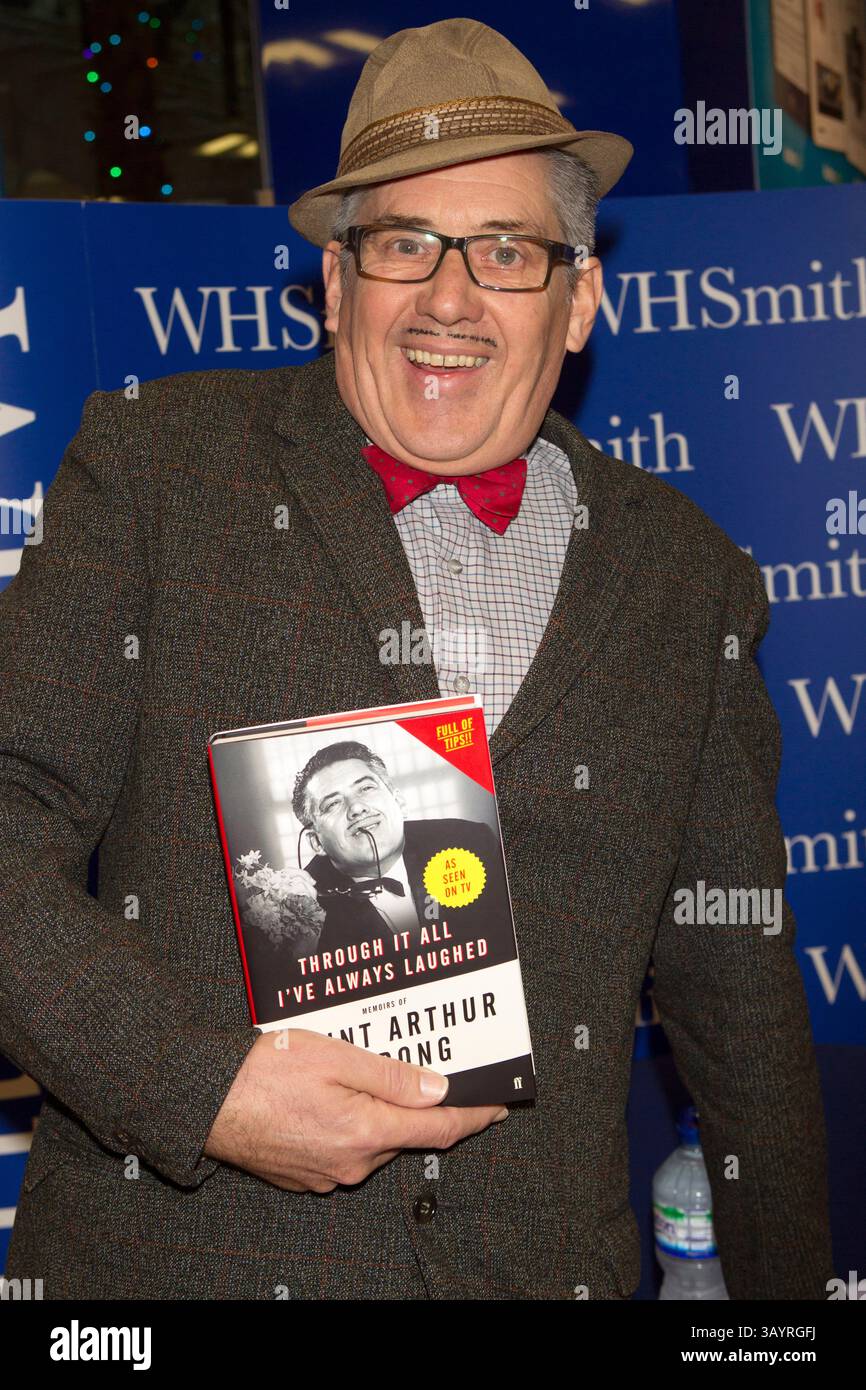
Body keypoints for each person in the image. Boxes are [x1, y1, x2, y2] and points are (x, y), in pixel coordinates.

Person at [1, 18, 834, 1300]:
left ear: (579, 300)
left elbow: (738, 998)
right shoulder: (155, 472)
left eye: (504, 251)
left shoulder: (688, 581)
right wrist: (200, 1088)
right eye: (404, 246)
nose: (450, 298)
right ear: (337, 286)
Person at [289, 739, 506, 961]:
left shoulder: (470, 842)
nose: (356, 808)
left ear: (400, 802)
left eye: (366, 788)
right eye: (332, 804)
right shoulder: (301, 913)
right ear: (316, 842)